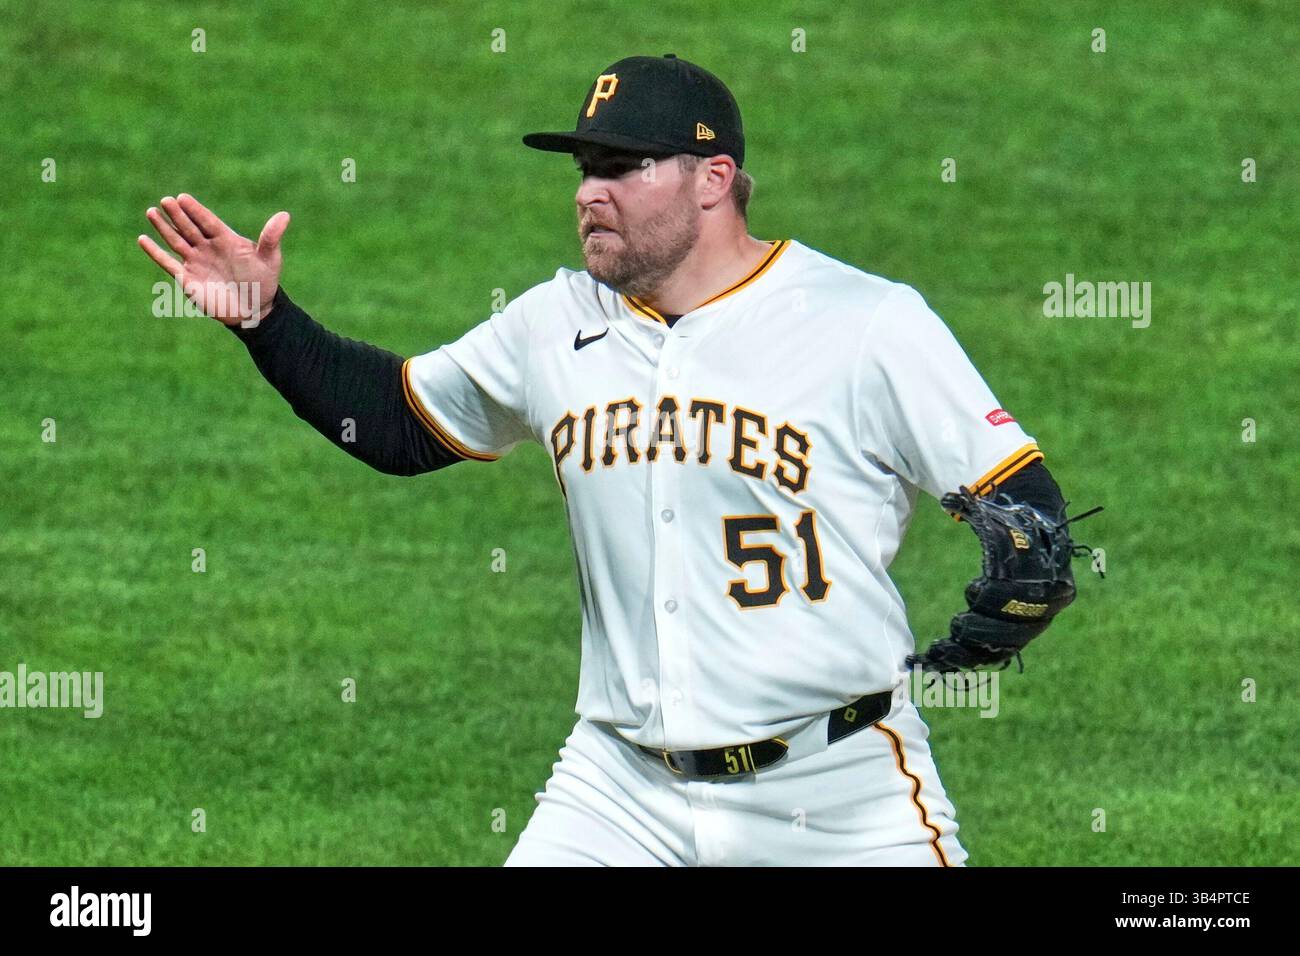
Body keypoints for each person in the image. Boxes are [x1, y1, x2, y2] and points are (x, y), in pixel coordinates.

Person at [137, 54, 1081, 866]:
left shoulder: (865, 322)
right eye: (586, 167)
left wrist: (1017, 588)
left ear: (713, 179)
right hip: (621, 790)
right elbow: (393, 423)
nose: (591, 192)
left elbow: (1027, 514)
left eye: (623, 167)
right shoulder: (555, 323)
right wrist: (266, 320)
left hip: (839, 794)